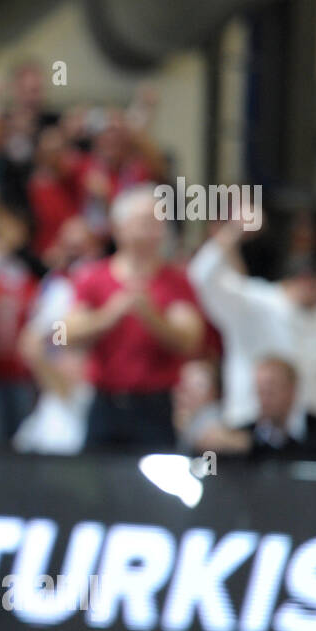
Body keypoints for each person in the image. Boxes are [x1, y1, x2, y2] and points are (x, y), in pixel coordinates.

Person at [188, 212, 316, 455]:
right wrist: (235, 230)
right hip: (248, 431)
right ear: (306, 280)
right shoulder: (257, 302)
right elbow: (202, 276)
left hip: (308, 438)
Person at [63, 186, 204, 448]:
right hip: (106, 402)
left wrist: (151, 316)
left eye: (159, 222)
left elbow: (189, 340)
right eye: (145, 221)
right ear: (120, 227)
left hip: (155, 405)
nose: (154, 230)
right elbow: (65, 334)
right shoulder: (94, 277)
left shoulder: (177, 281)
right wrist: (109, 316)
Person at [194, 356, 316, 461]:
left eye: (271, 391)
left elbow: (300, 459)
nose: (264, 399)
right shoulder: (245, 432)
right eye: (260, 391)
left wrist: (250, 447)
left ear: (291, 390)